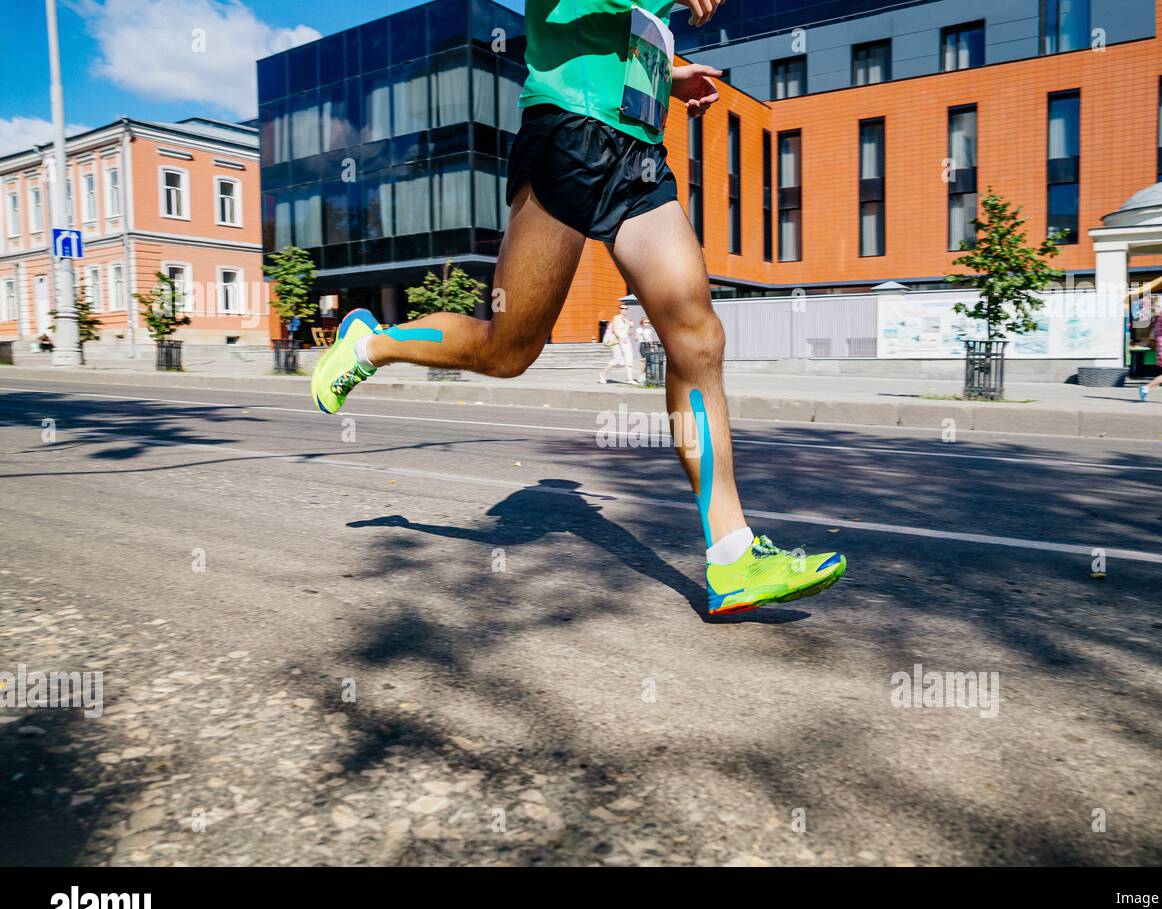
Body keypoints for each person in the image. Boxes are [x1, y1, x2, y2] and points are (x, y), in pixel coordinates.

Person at [309, 0, 845, 614]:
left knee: (699, 338)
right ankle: (372, 344)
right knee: (508, 350)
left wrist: (670, 71)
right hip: (568, 135)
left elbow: (616, 32)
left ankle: (733, 558)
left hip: (639, 158)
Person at [599, 303, 638, 385]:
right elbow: (615, 330)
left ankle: (629, 379)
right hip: (616, 341)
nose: (623, 310)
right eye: (622, 308)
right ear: (619, 309)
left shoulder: (627, 320)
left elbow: (629, 333)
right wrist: (621, 338)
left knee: (629, 359)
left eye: (625, 308)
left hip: (625, 341)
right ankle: (602, 374)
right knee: (617, 360)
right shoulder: (616, 318)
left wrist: (631, 327)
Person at [636, 315, 658, 383]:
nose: (647, 324)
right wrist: (639, 336)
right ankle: (640, 376)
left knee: (648, 361)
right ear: (642, 323)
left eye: (648, 322)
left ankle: (644, 375)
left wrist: (652, 347)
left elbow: (650, 339)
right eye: (645, 322)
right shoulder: (639, 329)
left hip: (648, 345)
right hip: (642, 345)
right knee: (644, 360)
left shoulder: (649, 330)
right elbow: (636, 338)